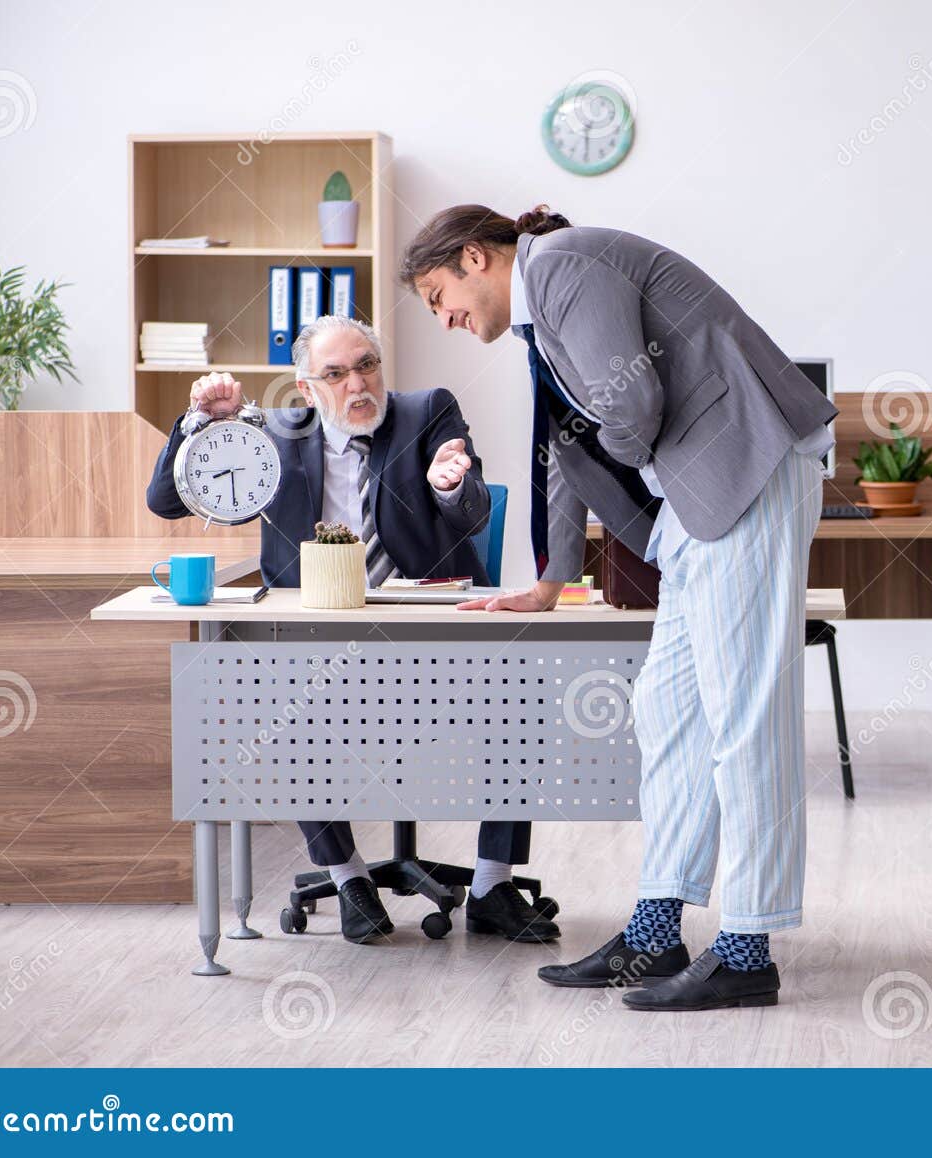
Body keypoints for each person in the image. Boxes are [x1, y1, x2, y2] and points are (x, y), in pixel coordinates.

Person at [401, 206, 836, 1010]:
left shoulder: (561, 265)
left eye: (439, 297)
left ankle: (748, 948)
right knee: (668, 711)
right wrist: (551, 581)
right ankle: (654, 933)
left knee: (745, 720)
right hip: (701, 500)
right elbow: (564, 451)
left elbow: (628, 409)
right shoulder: (542, 318)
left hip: (743, 469)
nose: (446, 318)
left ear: (475, 258)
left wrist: (630, 456)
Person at [146, 314, 560, 946]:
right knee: (278, 708)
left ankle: (491, 886)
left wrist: (451, 486)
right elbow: (166, 501)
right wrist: (201, 426)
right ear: (307, 389)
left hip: (432, 642)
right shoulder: (274, 435)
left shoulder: (427, 412)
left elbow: (473, 513)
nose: (357, 384)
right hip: (317, 645)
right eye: (336, 374)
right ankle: (348, 879)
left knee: (517, 694)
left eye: (366, 365)